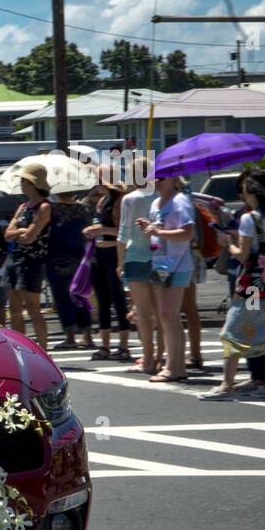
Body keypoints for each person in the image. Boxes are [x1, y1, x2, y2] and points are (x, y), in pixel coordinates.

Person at [201, 169, 265, 400]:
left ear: (251, 190)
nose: (242, 191)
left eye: (244, 187)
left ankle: (226, 385)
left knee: (232, 333)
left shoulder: (249, 218)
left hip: (252, 288)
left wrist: (228, 243)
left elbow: (243, 255)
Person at [140, 174, 197, 383]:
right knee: (169, 317)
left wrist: (158, 231)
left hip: (177, 264)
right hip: (161, 263)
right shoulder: (156, 202)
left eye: (162, 177)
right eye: (153, 178)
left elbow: (187, 233)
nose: (156, 181)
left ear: (174, 179)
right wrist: (150, 229)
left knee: (167, 315)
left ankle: (173, 367)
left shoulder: (180, 201)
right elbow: (159, 233)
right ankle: (177, 365)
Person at [83, 164, 131, 360]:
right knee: (102, 301)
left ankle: (123, 345)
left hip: (113, 252)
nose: (95, 183)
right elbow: (102, 225)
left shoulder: (119, 200)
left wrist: (101, 230)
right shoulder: (102, 200)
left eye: (97, 178)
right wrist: (93, 230)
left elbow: (122, 230)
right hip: (98, 254)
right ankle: (104, 346)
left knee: (118, 300)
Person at [118, 158, 162, 374]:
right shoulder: (160, 196)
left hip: (135, 256)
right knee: (161, 312)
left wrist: (119, 262)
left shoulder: (129, 199)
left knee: (143, 313)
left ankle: (148, 358)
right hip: (158, 256)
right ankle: (161, 356)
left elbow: (123, 232)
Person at [4, 163, 53, 349]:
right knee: (15, 309)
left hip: (33, 261)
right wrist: (21, 231)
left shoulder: (44, 207)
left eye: (24, 181)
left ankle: (43, 349)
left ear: (33, 183)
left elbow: (29, 237)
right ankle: (19, 348)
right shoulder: (23, 206)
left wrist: (20, 231)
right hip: (15, 258)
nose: (21, 184)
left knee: (33, 308)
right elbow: (8, 235)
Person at [46, 190, 95, 350]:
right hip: (79, 256)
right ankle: (87, 336)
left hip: (57, 257)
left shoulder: (52, 209)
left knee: (62, 298)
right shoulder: (83, 209)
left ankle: (70, 337)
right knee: (80, 296)